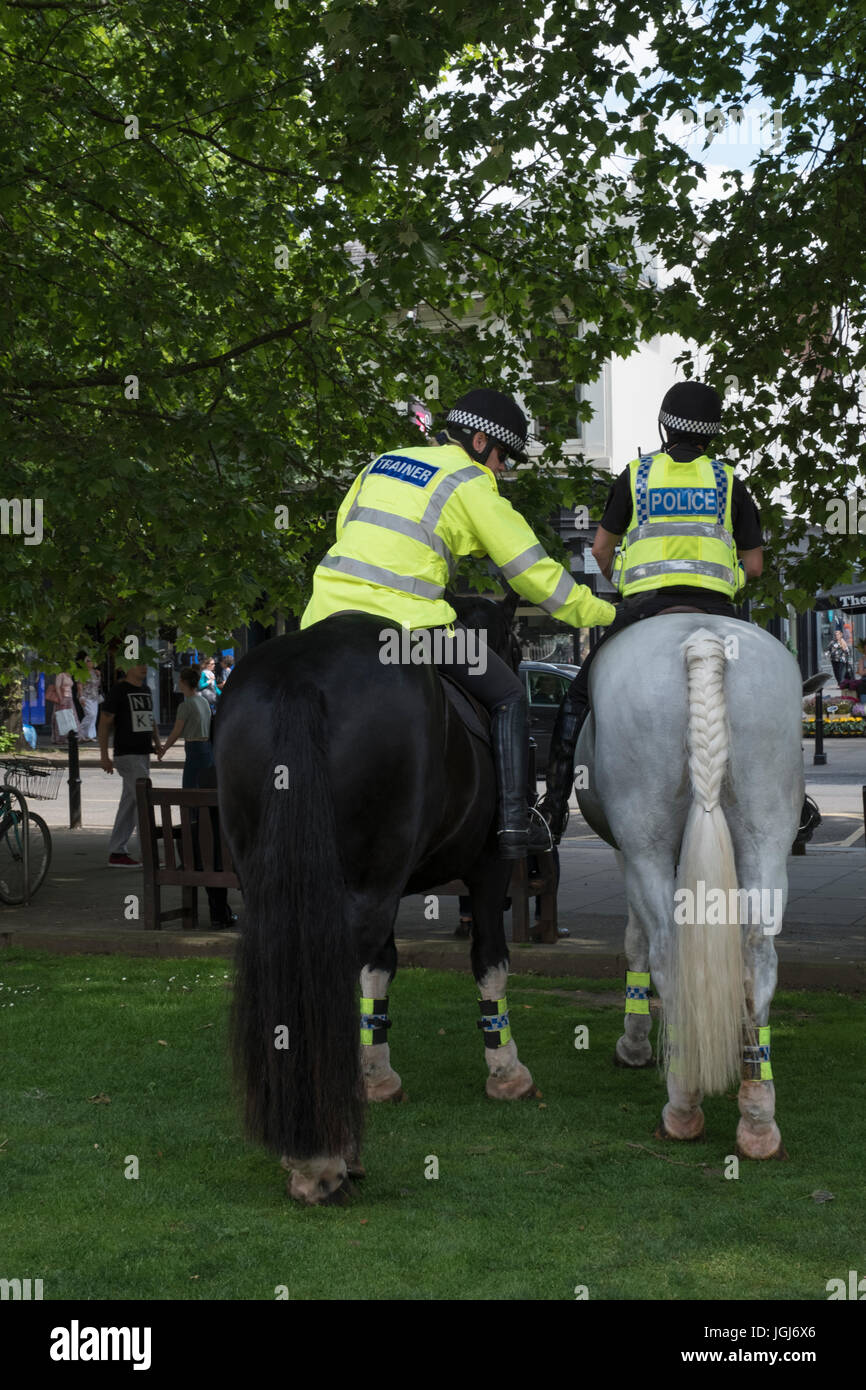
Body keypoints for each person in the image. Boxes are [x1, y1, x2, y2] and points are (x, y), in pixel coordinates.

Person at [300, 386, 616, 857]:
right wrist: (607, 613)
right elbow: (532, 573)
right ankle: (514, 824)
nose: (504, 468)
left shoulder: (381, 462)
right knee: (508, 692)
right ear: (480, 441)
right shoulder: (469, 482)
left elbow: (349, 526)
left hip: (323, 621)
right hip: (409, 634)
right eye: (505, 455)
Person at [528, 380, 764, 849]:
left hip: (644, 609)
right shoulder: (728, 481)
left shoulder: (636, 475)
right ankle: (795, 806)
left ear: (665, 424)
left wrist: (628, 583)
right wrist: (728, 582)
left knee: (577, 700)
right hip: (717, 610)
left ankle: (551, 807)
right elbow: (753, 565)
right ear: (710, 434)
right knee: (764, 692)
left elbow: (600, 549)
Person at [99, 663, 163, 867]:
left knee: (130, 803)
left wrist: (157, 742)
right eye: (138, 664)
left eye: (145, 664)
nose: (144, 667)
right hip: (128, 754)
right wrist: (104, 755)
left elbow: (150, 719)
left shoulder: (145, 690)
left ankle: (117, 852)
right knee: (143, 801)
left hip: (143, 753)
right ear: (127, 668)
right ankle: (148, 854)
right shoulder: (119, 691)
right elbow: (104, 722)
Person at [157, 666, 214, 787]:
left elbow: (176, 731)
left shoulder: (185, 705)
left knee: (190, 786)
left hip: (194, 747)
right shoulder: (203, 701)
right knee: (204, 785)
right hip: (207, 747)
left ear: (183, 682)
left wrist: (164, 749)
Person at [75, 650, 103, 742]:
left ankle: (90, 735)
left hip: (94, 697)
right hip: (85, 696)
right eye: (87, 661)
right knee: (91, 714)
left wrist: (99, 676)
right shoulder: (81, 672)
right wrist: (81, 696)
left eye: (90, 661)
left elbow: (97, 685)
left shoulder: (95, 673)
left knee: (94, 716)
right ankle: (79, 732)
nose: (89, 662)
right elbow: (79, 685)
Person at [51, 669, 82, 745]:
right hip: (63, 697)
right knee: (61, 717)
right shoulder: (60, 675)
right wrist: (61, 699)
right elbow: (57, 687)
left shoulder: (70, 676)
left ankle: (72, 736)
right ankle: (60, 738)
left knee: (71, 717)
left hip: (69, 698)